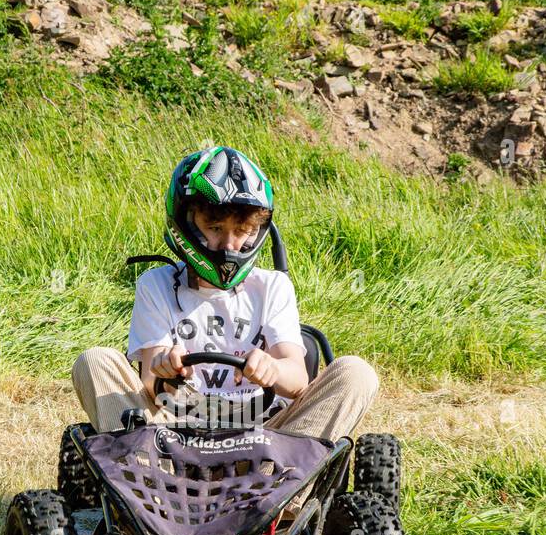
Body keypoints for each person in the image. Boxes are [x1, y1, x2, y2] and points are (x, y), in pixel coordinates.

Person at [72, 145, 378, 442]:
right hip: (175, 432)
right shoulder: (157, 285)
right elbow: (152, 386)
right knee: (95, 360)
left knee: (356, 372)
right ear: (186, 223)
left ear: (257, 228)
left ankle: (285, 490)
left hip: (265, 436)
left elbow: (297, 379)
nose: (230, 244)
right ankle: (145, 484)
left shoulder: (271, 287)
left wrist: (272, 369)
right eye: (215, 228)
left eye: (242, 230)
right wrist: (166, 368)